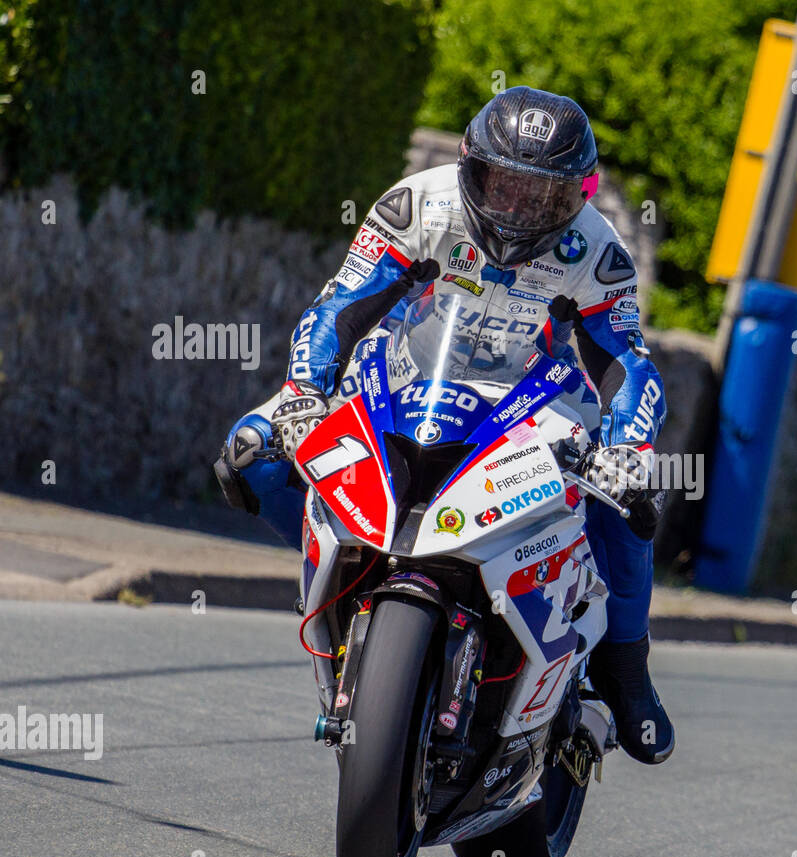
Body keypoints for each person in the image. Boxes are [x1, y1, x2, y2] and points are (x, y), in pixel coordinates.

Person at [214, 87, 673, 763]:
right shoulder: (415, 206)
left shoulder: (596, 253)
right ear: (469, 167)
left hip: (532, 407)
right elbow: (341, 305)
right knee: (249, 454)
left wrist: (628, 448)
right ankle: (350, 562)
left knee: (630, 505)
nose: (518, 210)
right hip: (406, 380)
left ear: (578, 194)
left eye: (541, 196)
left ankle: (626, 669)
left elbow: (628, 364)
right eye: (503, 186)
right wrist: (303, 391)